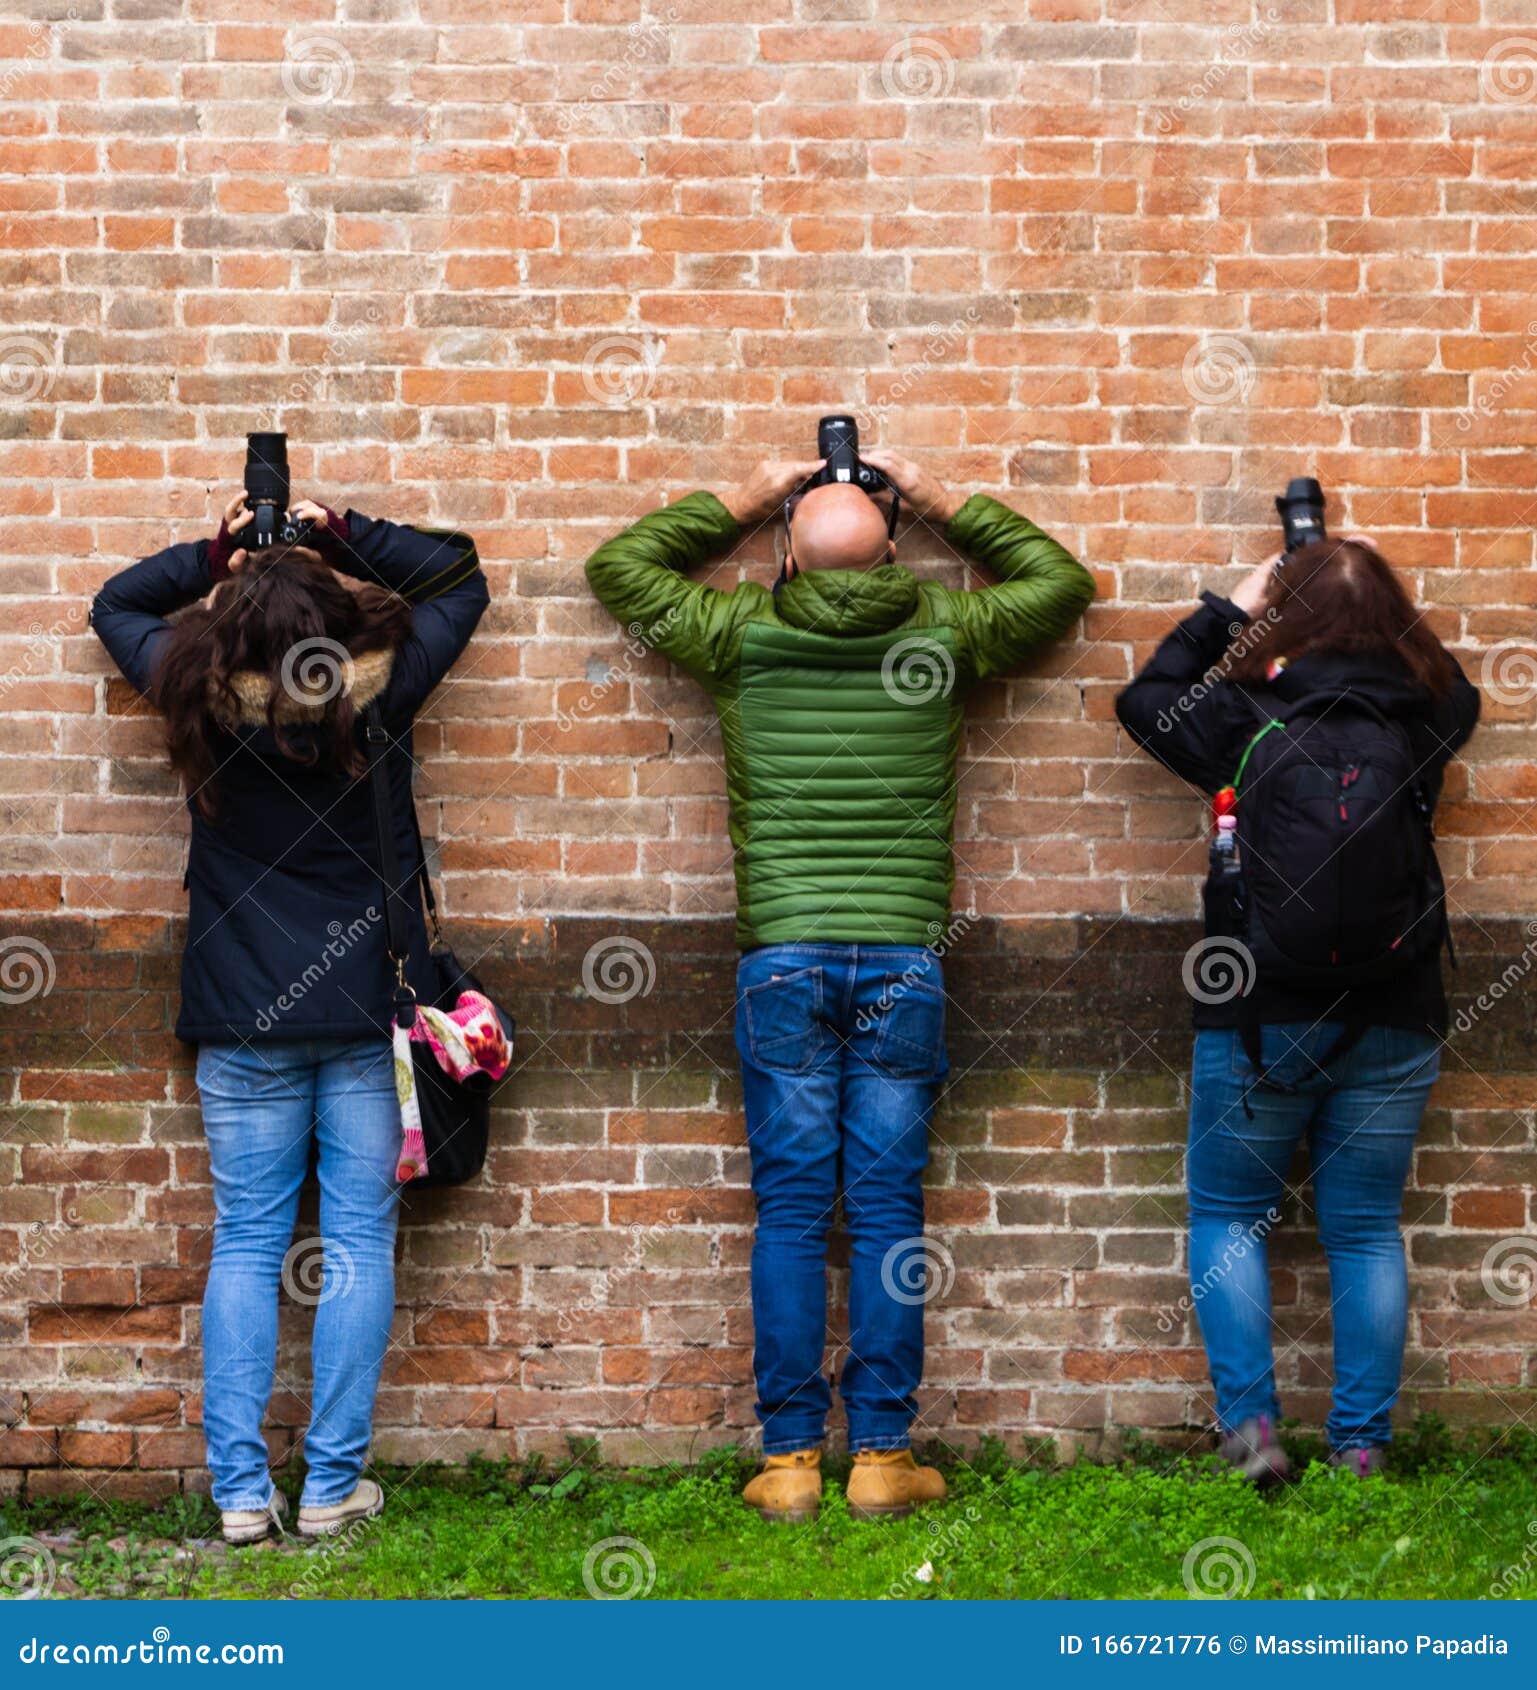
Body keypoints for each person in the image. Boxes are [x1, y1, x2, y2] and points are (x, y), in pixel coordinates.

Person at [585, 449, 1095, 1520]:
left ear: (781, 553)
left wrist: (761, 489)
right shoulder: (946, 632)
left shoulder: (738, 636)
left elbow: (622, 566)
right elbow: (1058, 582)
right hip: (903, 961)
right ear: (898, 544)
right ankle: (880, 1456)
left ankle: (784, 1462)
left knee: (789, 1210)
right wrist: (935, 497)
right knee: (882, 1208)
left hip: (782, 957)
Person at [91, 490, 489, 1542]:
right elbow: (457, 575)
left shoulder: (191, 691)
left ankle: (236, 1493)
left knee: (246, 1242)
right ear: (334, 626)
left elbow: (116, 601)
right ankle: (327, 1490)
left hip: (239, 1012)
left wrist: (219, 550)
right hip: (366, 1006)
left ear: (228, 630)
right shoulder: (384, 691)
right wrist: (340, 531)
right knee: (356, 1240)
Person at [1115, 538, 1479, 1481]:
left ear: (1284, 619)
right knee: (1361, 1227)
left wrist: (1231, 610)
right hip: (1392, 1012)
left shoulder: (1239, 716)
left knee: (1230, 1215)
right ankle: (1360, 1447)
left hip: (1253, 1013)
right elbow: (1461, 690)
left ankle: (1253, 1434)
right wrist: (1382, 614)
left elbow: (1144, 700)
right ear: (1391, 624)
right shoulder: (1422, 717)